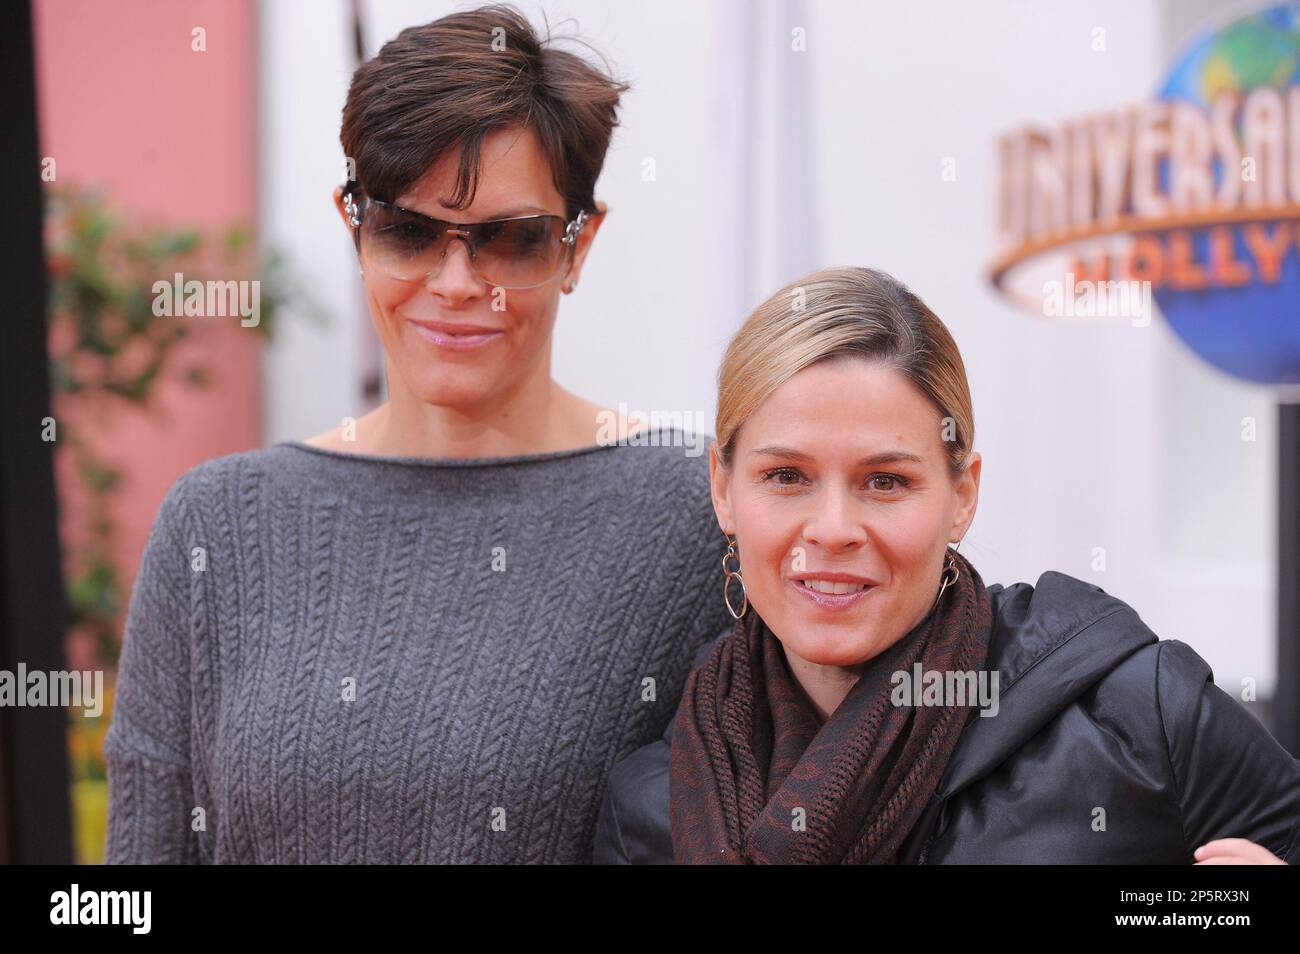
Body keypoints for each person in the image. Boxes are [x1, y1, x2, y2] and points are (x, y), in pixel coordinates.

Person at [103, 4, 732, 864]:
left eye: (510, 241)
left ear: (578, 247)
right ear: (355, 225)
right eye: (408, 231)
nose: (458, 283)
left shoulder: (696, 514)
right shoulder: (216, 524)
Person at [593, 265, 1300, 864]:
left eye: (886, 481)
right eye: (785, 476)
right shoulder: (654, 805)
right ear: (723, 487)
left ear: (962, 495)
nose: (834, 529)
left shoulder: (1135, 712)